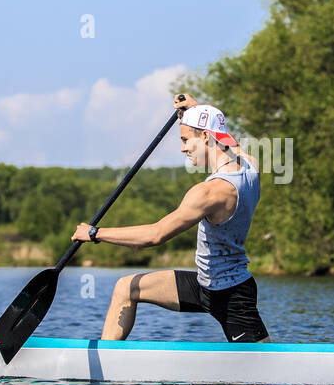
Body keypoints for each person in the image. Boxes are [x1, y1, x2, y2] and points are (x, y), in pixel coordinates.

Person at [71, 94, 270, 342]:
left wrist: (94, 233)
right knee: (126, 287)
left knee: (259, 368)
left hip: (232, 296)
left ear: (205, 136)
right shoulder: (251, 165)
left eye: (186, 140)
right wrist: (196, 110)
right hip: (204, 285)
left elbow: (156, 234)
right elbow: (227, 142)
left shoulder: (209, 192)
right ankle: (109, 366)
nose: (182, 148)